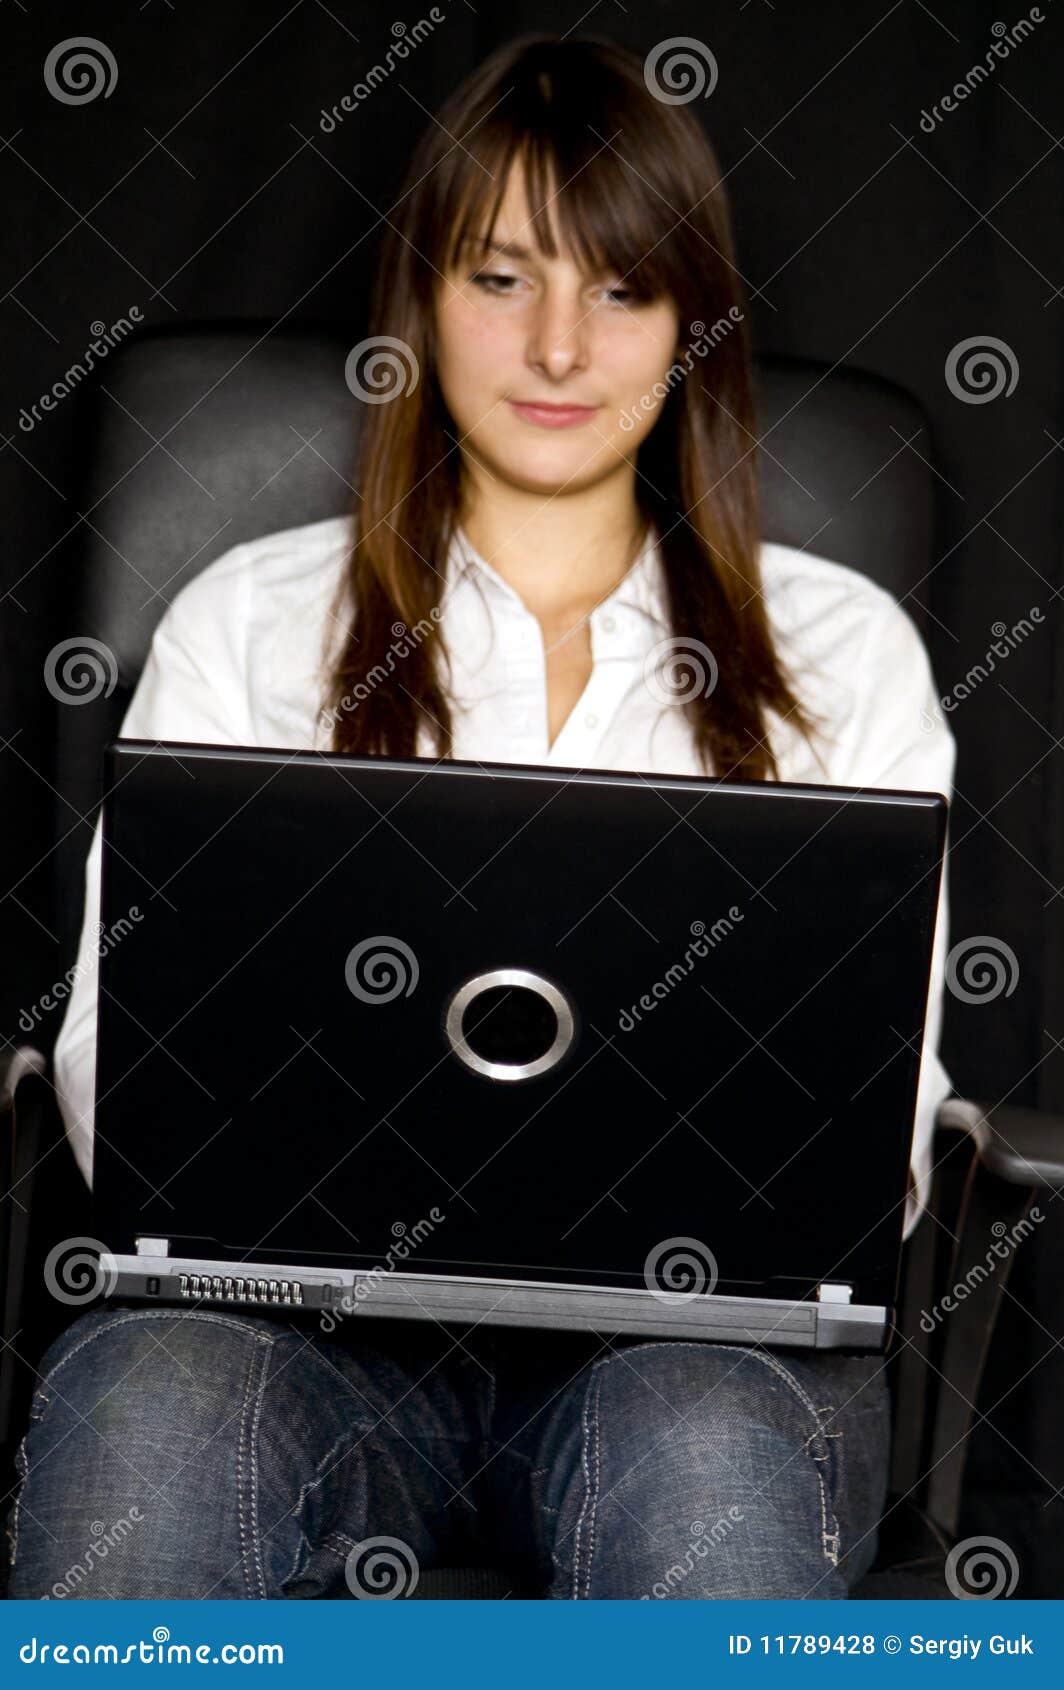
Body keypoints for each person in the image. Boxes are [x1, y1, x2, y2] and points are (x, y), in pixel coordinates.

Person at [7, 33, 954, 1600]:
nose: (562, 346)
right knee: (156, 1412)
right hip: (301, 1342)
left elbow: (879, 1124)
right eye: (504, 277)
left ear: (692, 323)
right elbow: (129, 1067)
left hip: (693, 1356)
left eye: (622, 287)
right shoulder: (249, 619)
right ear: (421, 301)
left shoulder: (841, 652)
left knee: (705, 1454)